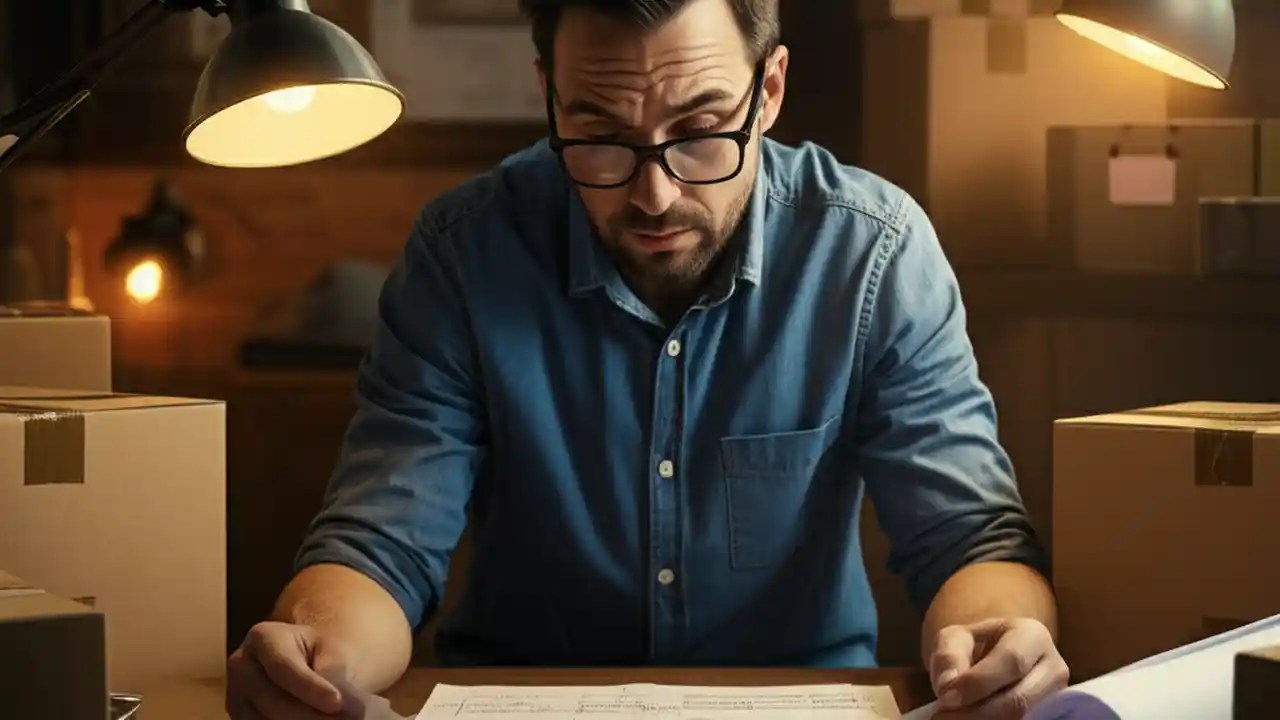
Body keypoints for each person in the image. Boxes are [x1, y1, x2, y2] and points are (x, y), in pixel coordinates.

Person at [226, 0, 1069, 718]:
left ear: (768, 90)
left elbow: (968, 536)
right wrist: (318, 655)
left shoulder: (871, 255)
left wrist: (1001, 640)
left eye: (701, 132)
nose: (654, 194)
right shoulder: (462, 255)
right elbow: (382, 544)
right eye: (598, 135)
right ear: (547, 94)